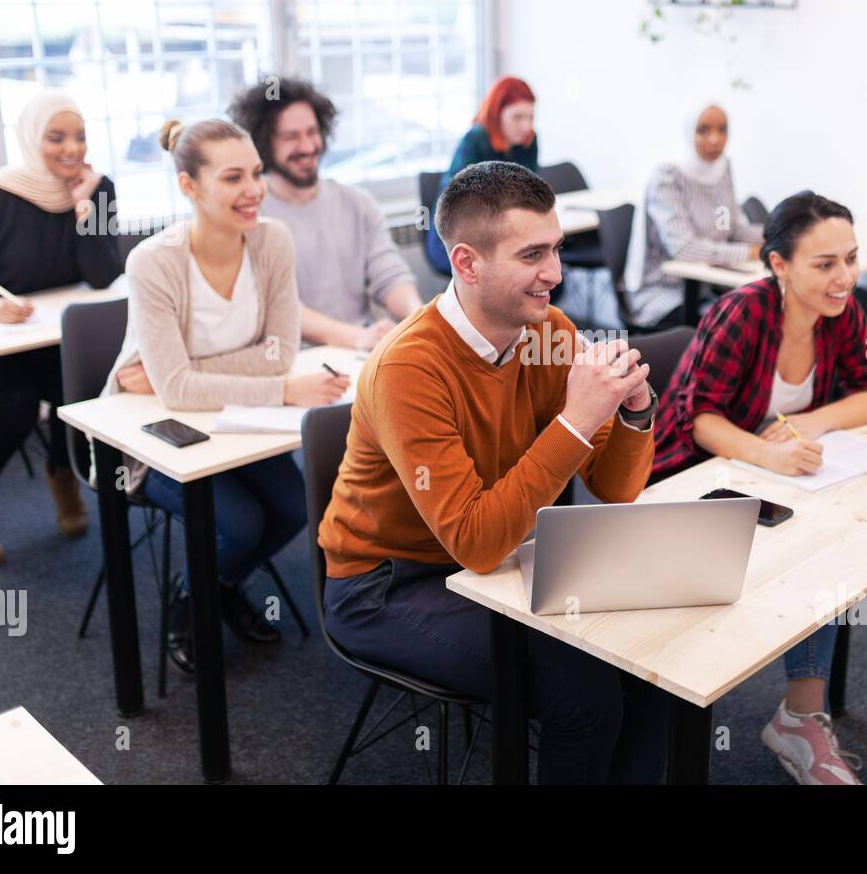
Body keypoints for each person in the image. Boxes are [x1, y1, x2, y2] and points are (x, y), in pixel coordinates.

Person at [320, 161, 667, 784]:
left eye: (556, 249)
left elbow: (615, 490)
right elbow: (476, 541)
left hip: (507, 556)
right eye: (532, 254)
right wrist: (574, 424)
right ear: (467, 263)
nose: (556, 274)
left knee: (648, 658)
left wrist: (634, 414)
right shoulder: (409, 368)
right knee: (583, 687)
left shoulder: (548, 333)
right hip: (389, 584)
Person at [652, 192, 867, 784]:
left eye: (852, 259)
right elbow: (698, 420)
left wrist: (807, 424)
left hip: (767, 473)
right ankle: (786, 717)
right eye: (825, 264)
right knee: (815, 549)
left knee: (836, 544)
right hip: (687, 476)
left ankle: (801, 717)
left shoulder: (840, 312)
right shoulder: (743, 313)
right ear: (779, 264)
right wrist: (768, 451)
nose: (845, 279)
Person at [104, 117, 349, 672]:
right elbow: (178, 390)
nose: (254, 190)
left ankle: (212, 585)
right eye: (234, 177)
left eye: (257, 173)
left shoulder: (272, 241)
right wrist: (277, 388)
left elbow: (280, 350)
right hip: (159, 434)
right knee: (238, 525)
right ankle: (192, 603)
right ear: (189, 186)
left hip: (238, 422)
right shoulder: (153, 261)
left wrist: (188, 371)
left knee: (292, 508)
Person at [0, 88, 122, 564]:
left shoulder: (97, 189)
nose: (72, 149)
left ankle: (63, 474)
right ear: (32, 139)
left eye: (79, 136)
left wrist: (84, 207)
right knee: (13, 405)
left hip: (49, 338)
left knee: (84, 392)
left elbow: (101, 275)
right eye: (56, 137)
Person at [228, 77, 422, 352]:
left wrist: (420, 317)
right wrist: (355, 337)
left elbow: (389, 274)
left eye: (312, 132)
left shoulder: (358, 203)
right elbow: (277, 305)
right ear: (263, 144)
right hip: (293, 359)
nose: (307, 147)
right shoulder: (249, 216)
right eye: (290, 137)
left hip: (360, 353)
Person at [623, 100, 763, 329]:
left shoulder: (722, 169)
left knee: (760, 313)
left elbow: (729, 227)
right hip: (662, 292)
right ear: (689, 133)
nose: (715, 139)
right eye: (703, 130)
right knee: (738, 325)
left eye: (723, 130)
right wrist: (748, 253)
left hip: (706, 286)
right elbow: (683, 248)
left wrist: (777, 236)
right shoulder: (668, 177)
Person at [425, 76, 539, 275]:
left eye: (530, 117)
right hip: (455, 237)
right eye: (517, 117)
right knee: (515, 273)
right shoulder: (475, 140)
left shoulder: (528, 142)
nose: (526, 126)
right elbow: (462, 206)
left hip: (505, 234)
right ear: (497, 114)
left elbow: (532, 195)